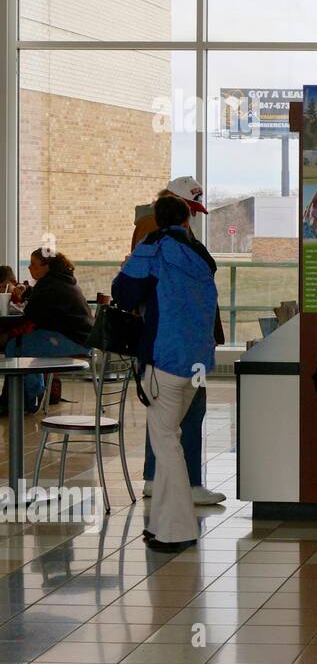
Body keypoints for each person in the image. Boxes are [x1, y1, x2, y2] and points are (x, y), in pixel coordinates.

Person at [112, 196, 218, 553]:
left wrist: (132, 262)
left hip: (164, 360)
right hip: (198, 362)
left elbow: (123, 294)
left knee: (166, 444)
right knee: (168, 437)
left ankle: (177, 528)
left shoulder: (154, 248)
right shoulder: (200, 254)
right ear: (187, 220)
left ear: (157, 220)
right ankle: (159, 524)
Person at [132, 177, 225, 506]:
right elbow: (141, 284)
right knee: (178, 410)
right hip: (174, 342)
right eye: (190, 210)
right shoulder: (153, 230)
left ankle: (168, 478)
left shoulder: (171, 230)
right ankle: (169, 479)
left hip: (188, 340)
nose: (193, 218)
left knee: (181, 410)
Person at [1, 249, 95, 414]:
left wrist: (7, 334)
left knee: (14, 347)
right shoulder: (61, 281)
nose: (30, 268)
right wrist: (28, 292)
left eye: (34, 264)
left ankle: (29, 399)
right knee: (23, 343)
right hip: (82, 340)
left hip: (73, 342)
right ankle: (29, 395)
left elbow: (31, 316)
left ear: (47, 267)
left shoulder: (50, 285)